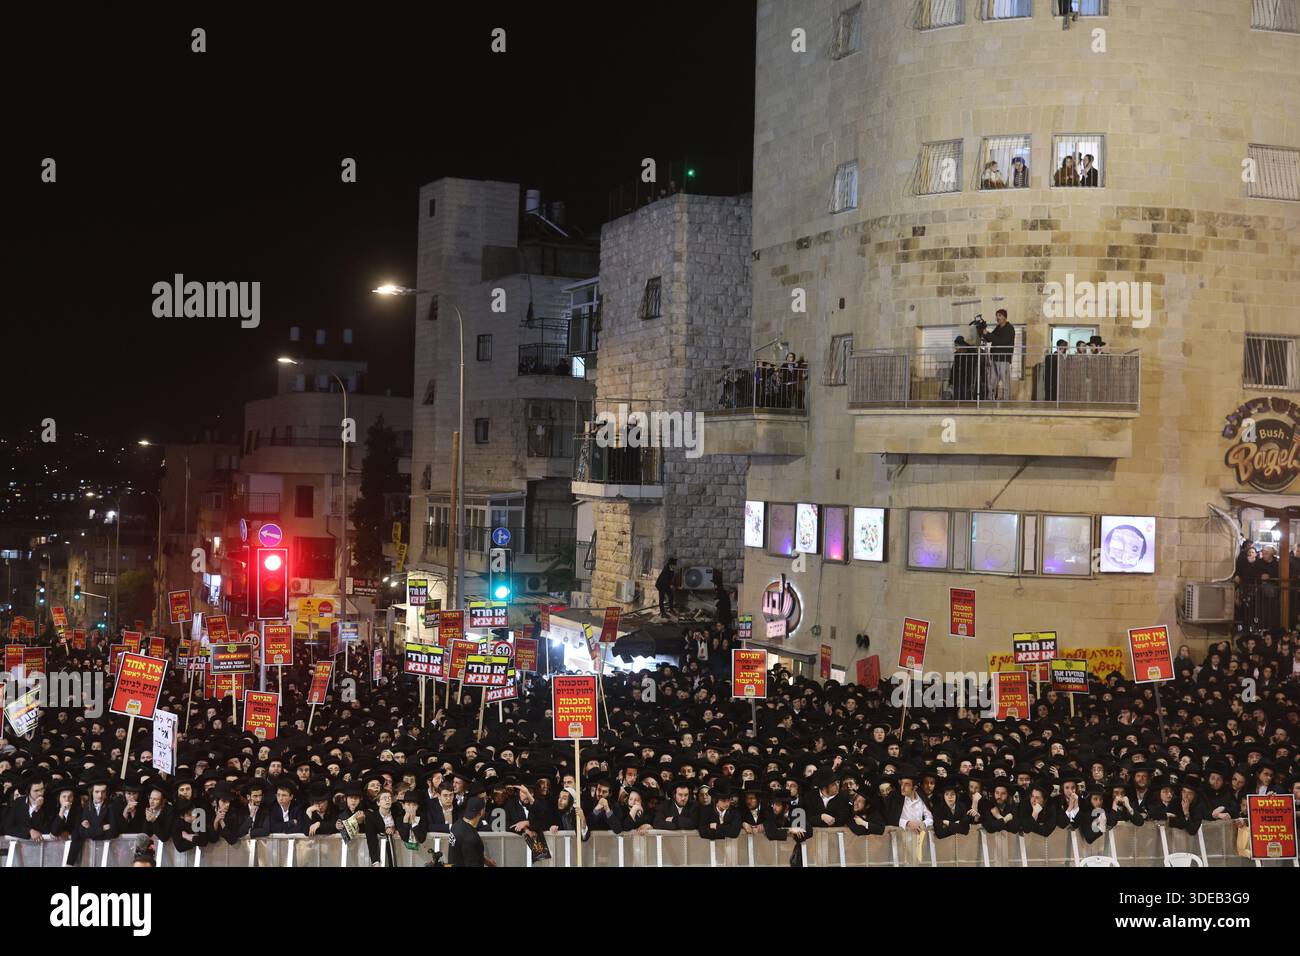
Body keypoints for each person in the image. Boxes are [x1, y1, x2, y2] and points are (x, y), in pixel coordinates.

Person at [447, 796, 494, 867]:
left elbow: (464, 852)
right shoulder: (470, 837)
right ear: (481, 812)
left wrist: (484, 860)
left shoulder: (456, 825)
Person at [980, 309, 1016, 401]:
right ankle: (990, 399)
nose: (997, 318)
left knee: (1005, 381)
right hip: (995, 357)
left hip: (1004, 358)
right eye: (997, 316)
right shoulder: (998, 327)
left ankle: (1006, 400)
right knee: (992, 380)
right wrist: (983, 330)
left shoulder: (1009, 328)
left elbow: (1001, 341)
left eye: (999, 316)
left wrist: (988, 334)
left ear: (1004, 317)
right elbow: (990, 338)